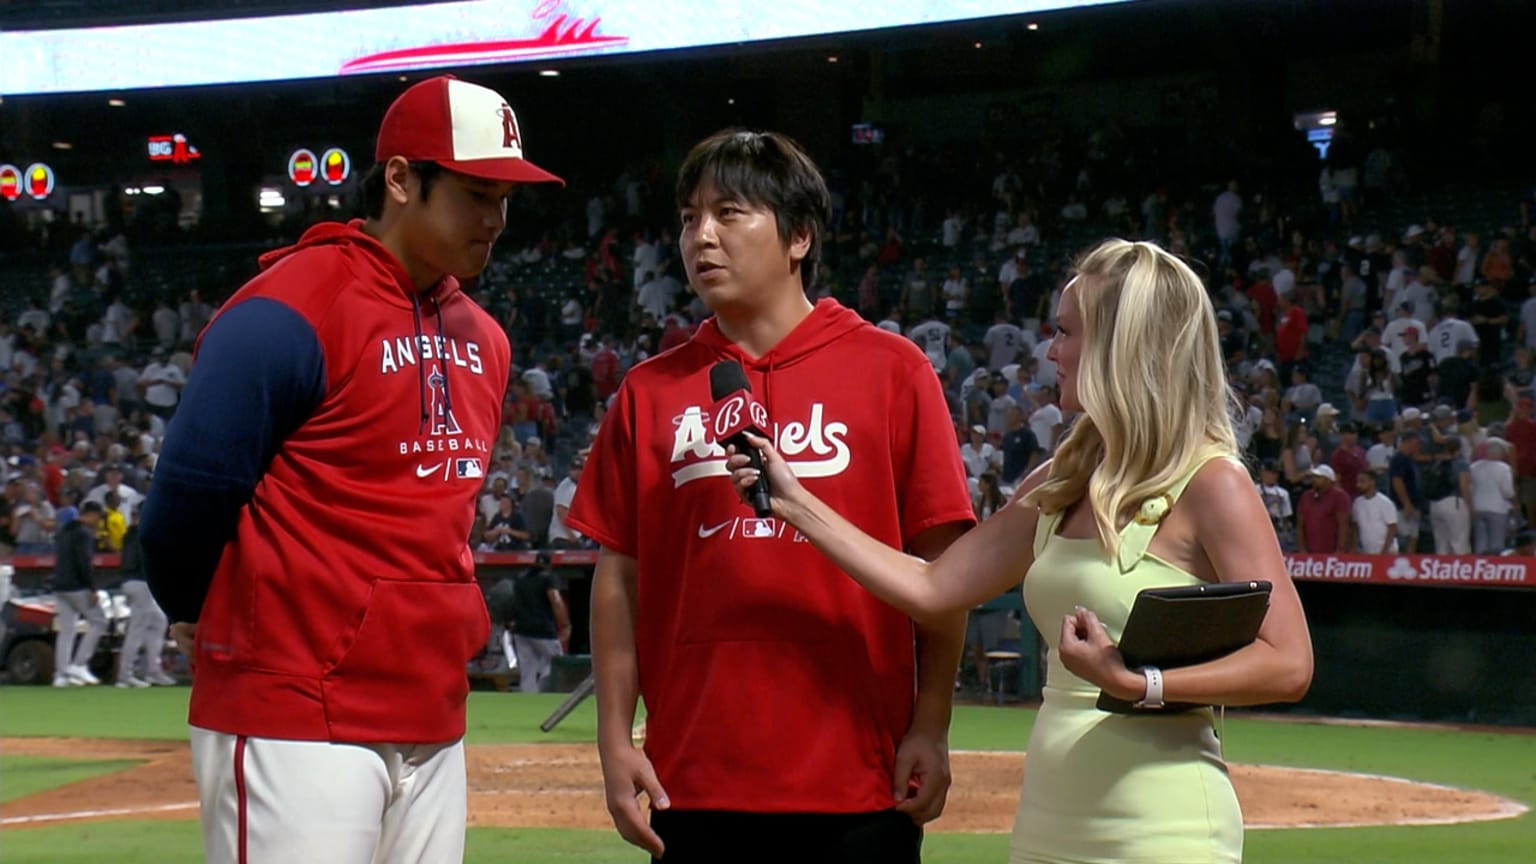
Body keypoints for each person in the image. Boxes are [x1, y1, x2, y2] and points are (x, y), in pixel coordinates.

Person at [727, 238, 1312, 863]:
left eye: (1066, 333)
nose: (1051, 351)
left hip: (1161, 828)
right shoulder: (1057, 481)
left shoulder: (1212, 482)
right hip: (1049, 822)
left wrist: (1137, 682)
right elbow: (932, 588)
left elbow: (1289, 663)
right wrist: (792, 501)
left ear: (1124, 346)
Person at [138, 75, 561, 864]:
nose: (496, 220)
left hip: (432, 709)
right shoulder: (285, 310)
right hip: (295, 703)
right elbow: (185, 502)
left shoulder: (489, 340)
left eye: (506, 199)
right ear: (400, 180)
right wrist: (194, 608)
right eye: (475, 193)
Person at [569, 130, 976, 863]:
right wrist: (612, 739)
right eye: (690, 218)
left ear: (799, 237)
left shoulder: (893, 371)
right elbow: (618, 577)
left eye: (730, 213)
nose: (703, 237)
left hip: (859, 778)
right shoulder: (647, 391)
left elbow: (942, 569)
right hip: (691, 779)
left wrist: (932, 722)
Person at [116, 507, 175, 687]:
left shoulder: (130, 534)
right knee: (138, 628)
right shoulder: (140, 534)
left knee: (158, 620)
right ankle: (125, 675)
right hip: (139, 582)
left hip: (135, 583)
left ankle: (152, 671)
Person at [51, 501, 107, 687]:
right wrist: (92, 587)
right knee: (100, 621)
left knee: (66, 630)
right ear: (91, 514)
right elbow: (84, 562)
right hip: (77, 586)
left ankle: (61, 674)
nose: (98, 522)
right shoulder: (84, 533)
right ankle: (79, 664)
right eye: (98, 517)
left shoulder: (64, 531)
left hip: (60, 585)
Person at [507, 552, 570, 693]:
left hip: (521, 628)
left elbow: (512, 601)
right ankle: (543, 690)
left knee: (527, 669)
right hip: (543, 629)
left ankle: (529, 698)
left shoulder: (521, 578)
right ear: (548, 564)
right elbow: (556, 601)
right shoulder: (548, 578)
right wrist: (565, 625)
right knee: (556, 662)